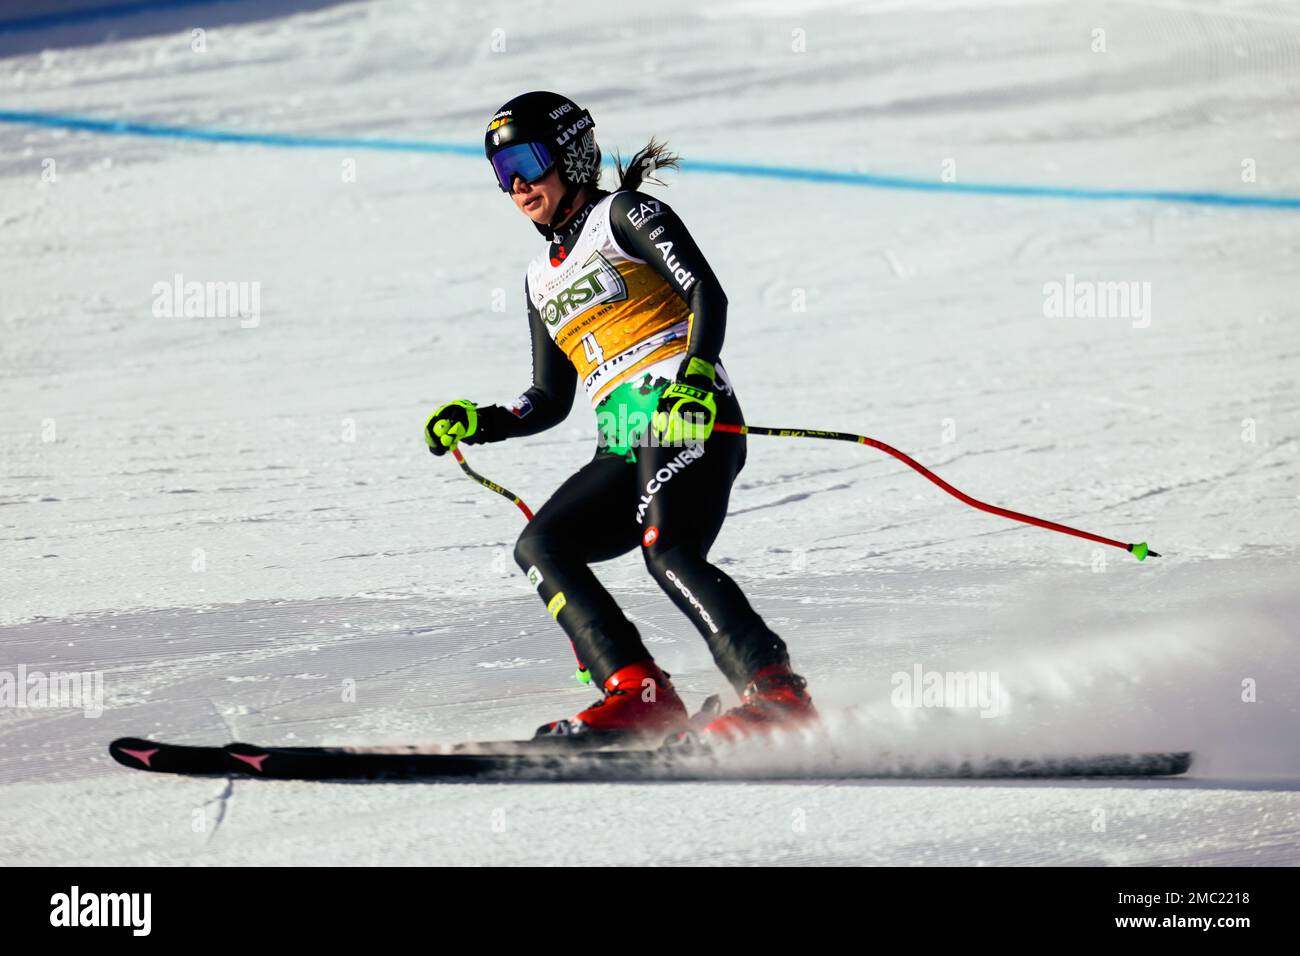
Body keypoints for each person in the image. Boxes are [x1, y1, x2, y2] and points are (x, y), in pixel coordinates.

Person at [425, 91, 815, 742]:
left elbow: (704, 293)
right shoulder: (540, 277)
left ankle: (775, 692)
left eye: (525, 160)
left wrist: (692, 377)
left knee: (669, 550)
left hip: (690, 414)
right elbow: (549, 399)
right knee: (541, 546)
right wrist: (486, 419)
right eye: (501, 171)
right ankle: (638, 692)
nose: (516, 183)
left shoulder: (625, 215)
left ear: (572, 156)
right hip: (622, 443)